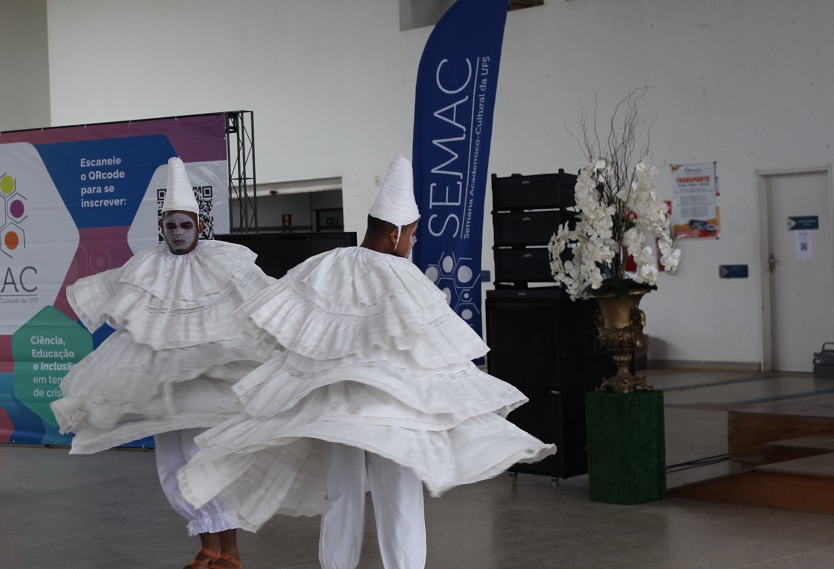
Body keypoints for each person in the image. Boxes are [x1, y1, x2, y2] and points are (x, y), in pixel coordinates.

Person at [178, 155, 556, 569]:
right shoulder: (404, 277)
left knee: (340, 495)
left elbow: (294, 324)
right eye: (412, 235)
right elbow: (427, 348)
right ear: (395, 233)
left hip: (336, 406)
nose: (413, 244)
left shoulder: (327, 265)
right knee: (399, 501)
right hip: (390, 413)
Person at [52, 157, 274, 569]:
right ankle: (208, 546)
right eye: (170, 225)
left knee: (207, 462)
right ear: (162, 228)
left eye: (184, 225)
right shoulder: (147, 264)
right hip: (164, 388)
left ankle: (231, 553)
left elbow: (265, 302)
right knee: (173, 467)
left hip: (208, 384)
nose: (176, 233)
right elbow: (116, 299)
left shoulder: (224, 261)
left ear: (200, 226)